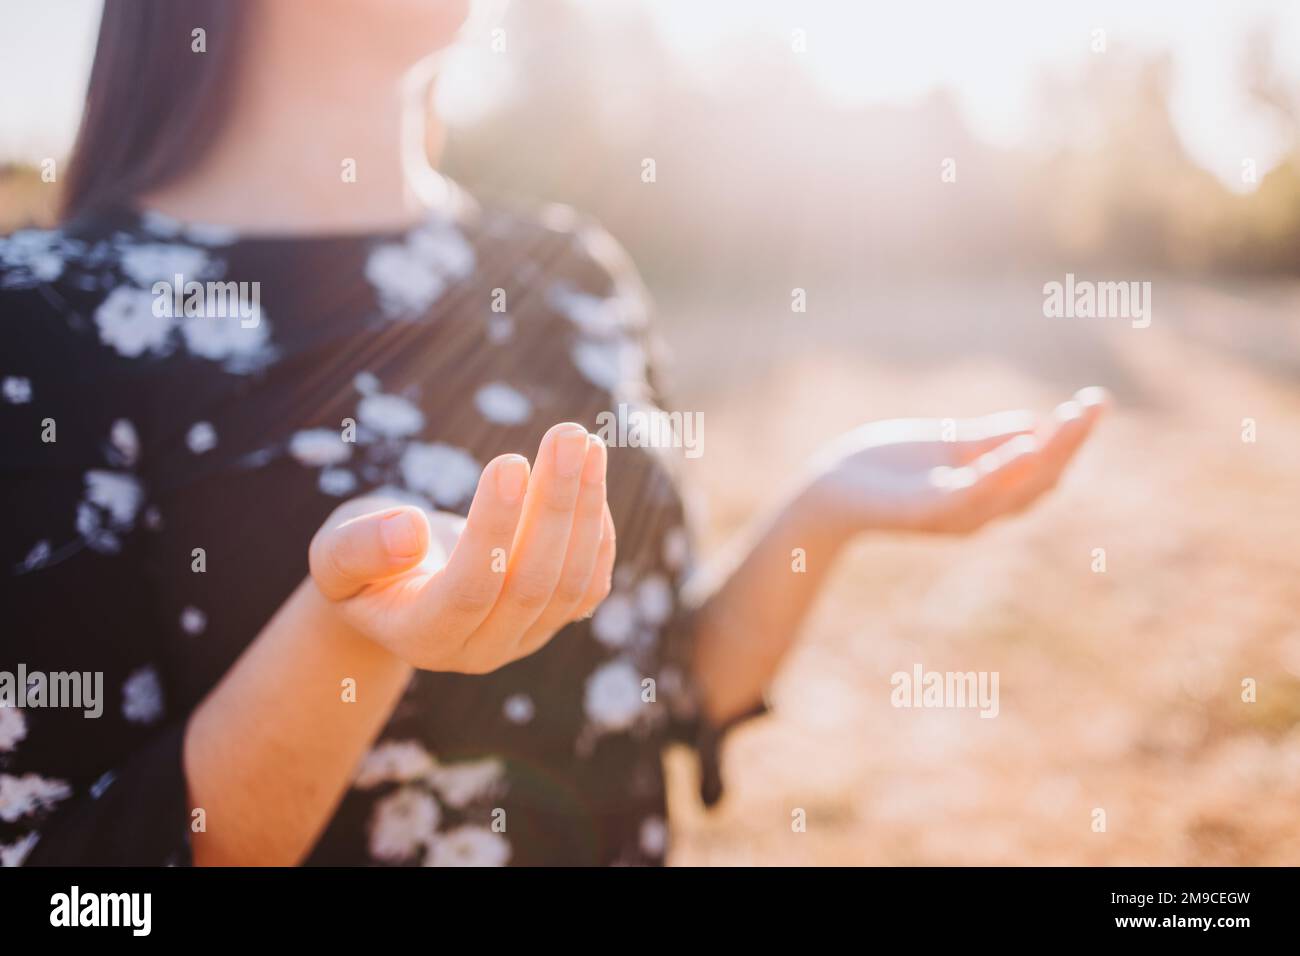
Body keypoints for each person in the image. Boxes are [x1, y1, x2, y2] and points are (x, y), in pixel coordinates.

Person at [0, 0, 1105, 867]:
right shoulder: (44, 320)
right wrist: (354, 637)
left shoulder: (569, 277)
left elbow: (655, 694)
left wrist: (824, 510)